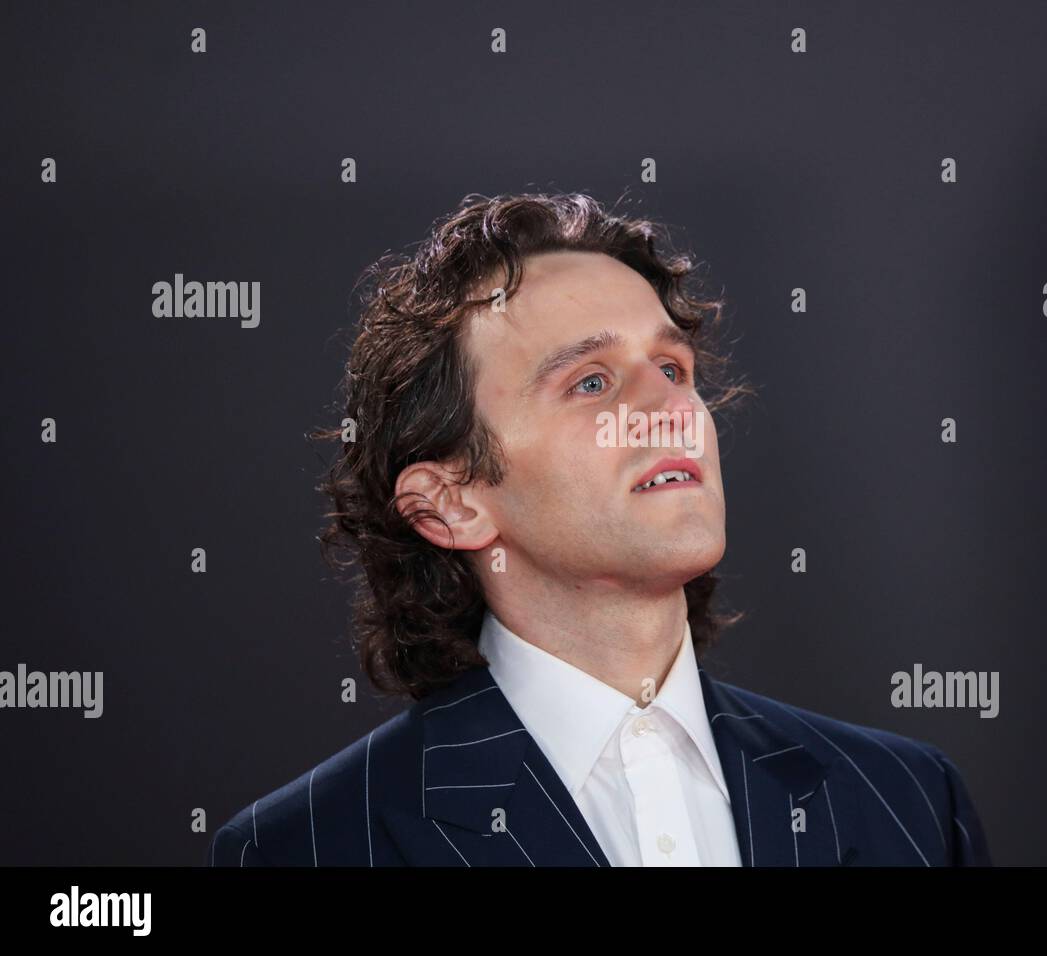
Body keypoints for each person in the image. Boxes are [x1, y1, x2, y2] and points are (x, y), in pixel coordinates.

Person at [206, 192, 992, 867]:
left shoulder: (909, 804)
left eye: (674, 369)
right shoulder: (307, 847)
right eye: (590, 381)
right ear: (451, 503)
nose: (674, 410)